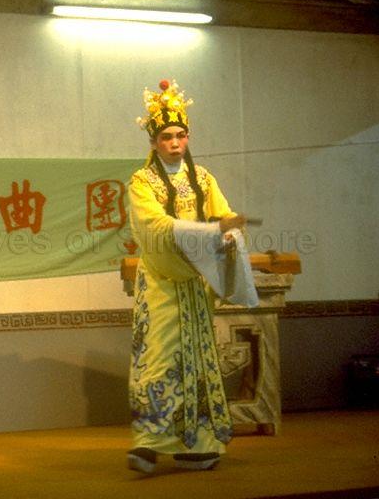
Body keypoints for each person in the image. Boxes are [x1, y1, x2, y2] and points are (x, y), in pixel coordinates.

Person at [126, 80, 251, 473]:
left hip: (196, 285)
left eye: (181, 135)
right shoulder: (141, 183)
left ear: (188, 136)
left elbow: (222, 216)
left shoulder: (203, 179)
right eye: (167, 136)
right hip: (162, 282)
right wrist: (204, 233)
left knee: (198, 360)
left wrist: (228, 231)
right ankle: (148, 442)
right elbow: (154, 227)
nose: (175, 143)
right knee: (159, 359)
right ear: (154, 141)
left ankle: (198, 444)